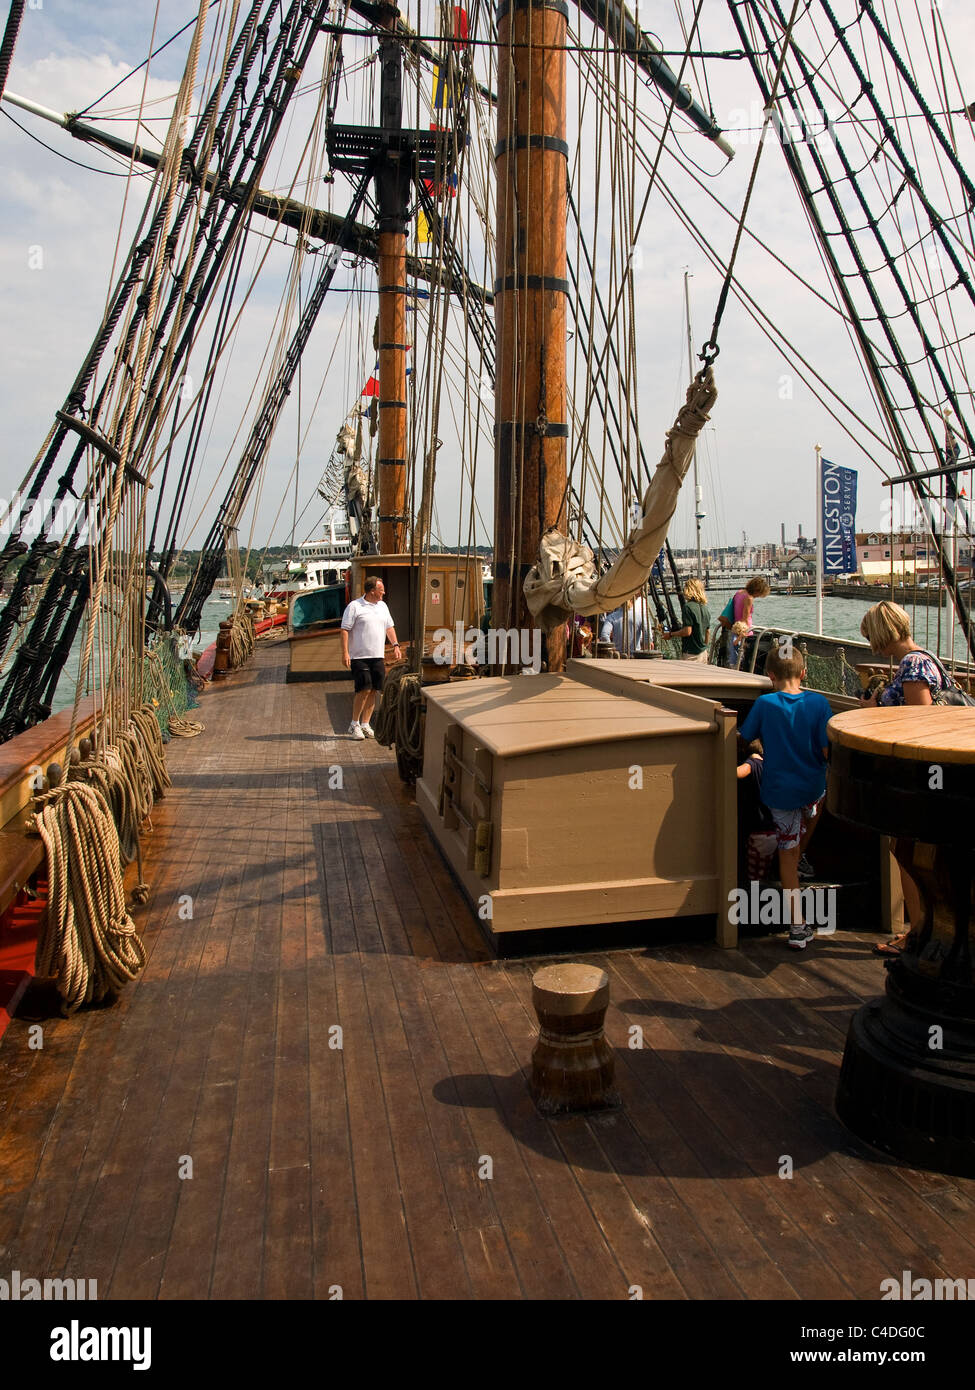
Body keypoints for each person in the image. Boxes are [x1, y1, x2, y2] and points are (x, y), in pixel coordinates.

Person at [858, 601, 944, 955]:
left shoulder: (912, 664)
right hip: (931, 776)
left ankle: (919, 932)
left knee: (907, 849)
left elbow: (919, 720)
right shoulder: (925, 658)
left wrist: (874, 711)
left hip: (922, 777)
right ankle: (925, 930)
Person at [740, 642, 833, 950]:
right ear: (804, 673)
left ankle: (797, 927)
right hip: (812, 790)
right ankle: (802, 850)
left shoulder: (765, 704)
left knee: (787, 856)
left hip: (781, 793)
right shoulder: (819, 704)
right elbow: (825, 750)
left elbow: (744, 737)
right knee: (817, 808)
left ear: (770, 675)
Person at [340, 576, 401, 739]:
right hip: (359, 656)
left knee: (374, 689)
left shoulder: (383, 606)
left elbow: (389, 627)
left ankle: (365, 724)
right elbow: (345, 629)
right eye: (381, 590)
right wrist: (345, 652)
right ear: (372, 591)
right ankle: (354, 724)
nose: (384, 592)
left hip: (377, 655)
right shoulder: (355, 606)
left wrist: (395, 644)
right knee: (364, 688)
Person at [718, 576, 770, 663]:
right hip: (744, 632)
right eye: (760, 593)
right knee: (741, 661)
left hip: (735, 629)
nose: (759, 596)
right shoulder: (749, 598)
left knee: (733, 659)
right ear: (757, 590)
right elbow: (745, 619)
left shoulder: (739, 593)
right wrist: (740, 637)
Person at [661, 578, 711, 662]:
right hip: (703, 653)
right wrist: (704, 647)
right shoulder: (705, 608)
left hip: (691, 654)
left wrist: (671, 634)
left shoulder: (688, 607)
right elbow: (707, 632)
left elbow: (687, 631)